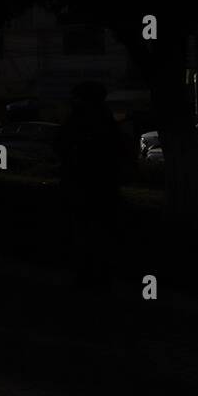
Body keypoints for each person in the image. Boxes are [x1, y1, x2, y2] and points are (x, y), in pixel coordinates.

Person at [55, 82, 128, 292]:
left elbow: (61, 144)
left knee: (87, 234)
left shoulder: (82, 120)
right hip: (101, 188)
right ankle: (98, 275)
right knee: (98, 235)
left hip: (86, 188)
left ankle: (89, 275)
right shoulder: (104, 120)